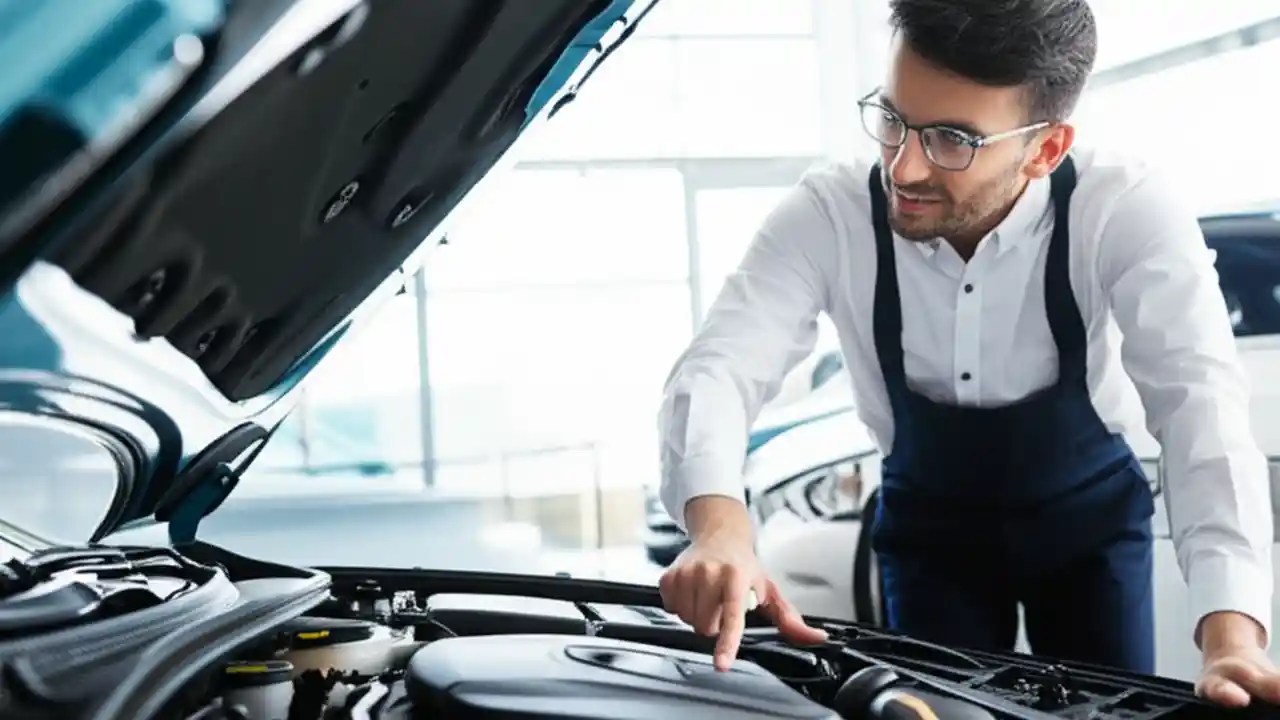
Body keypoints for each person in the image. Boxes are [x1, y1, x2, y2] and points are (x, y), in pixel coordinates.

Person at [655, 0, 1279, 709]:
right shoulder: (828, 214)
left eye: (953, 139)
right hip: (931, 535)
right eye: (893, 120)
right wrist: (720, 527)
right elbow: (720, 366)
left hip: (1089, 533)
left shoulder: (1123, 207)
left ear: (1045, 149)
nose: (905, 165)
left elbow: (1203, 409)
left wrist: (1232, 639)